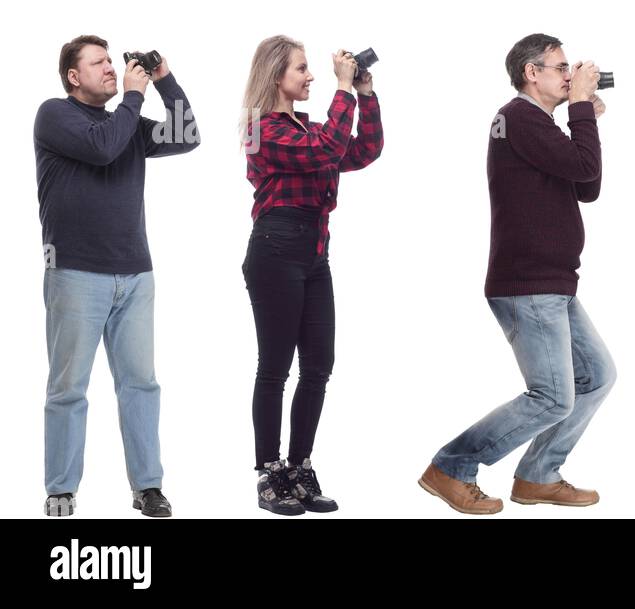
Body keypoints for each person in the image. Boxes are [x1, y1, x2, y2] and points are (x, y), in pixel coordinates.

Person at [419, 33, 615, 515]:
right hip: (528, 283)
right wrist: (582, 110)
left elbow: (587, 185)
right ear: (533, 72)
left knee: (598, 376)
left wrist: (581, 113)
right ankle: (452, 465)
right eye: (561, 67)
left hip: (554, 283)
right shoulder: (517, 117)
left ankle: (538, 475)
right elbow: (585, 165)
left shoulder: (540, 125)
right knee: (552, 397)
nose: (570, 76)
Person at [34, 35, 200, 517]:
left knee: (140, 384)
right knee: (68, 387)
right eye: (99, 63)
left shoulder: (124, 121)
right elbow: (104, 148)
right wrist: (133, 94)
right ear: (73, 76)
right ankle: (61, 488)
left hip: (135, 274)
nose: (111, 67)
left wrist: (165, 81)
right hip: (74, 273)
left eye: (113, 61)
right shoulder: (54, 115)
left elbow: (186, 136)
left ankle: (148, 486)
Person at [240, 35, 383, 516]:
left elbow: (363, 150)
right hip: (276, 250)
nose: (311, 76)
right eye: (301, 69)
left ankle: (299, 468)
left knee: (319, 365)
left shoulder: (312, 128)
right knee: (275, 367)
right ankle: (269, 472)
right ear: (275, 75)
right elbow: (323, 152)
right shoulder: (262, 130)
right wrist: (343, 89)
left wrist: (363, 92)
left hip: (314, 253)